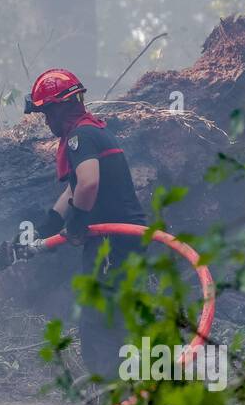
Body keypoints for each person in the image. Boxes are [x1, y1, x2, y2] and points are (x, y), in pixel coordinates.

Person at [13, 68, 148, 378]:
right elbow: (74, 189)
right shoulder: (89, 131)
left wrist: (76, 224)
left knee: (99, 316)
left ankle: (114, 387)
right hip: (110, 240)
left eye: (47, 112)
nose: (46, 121)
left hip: (114, 241)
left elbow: (88, 184)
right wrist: (44, 229)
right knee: (103, 311)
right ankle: (119, 383)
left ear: (62, 107)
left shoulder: (80, 136)